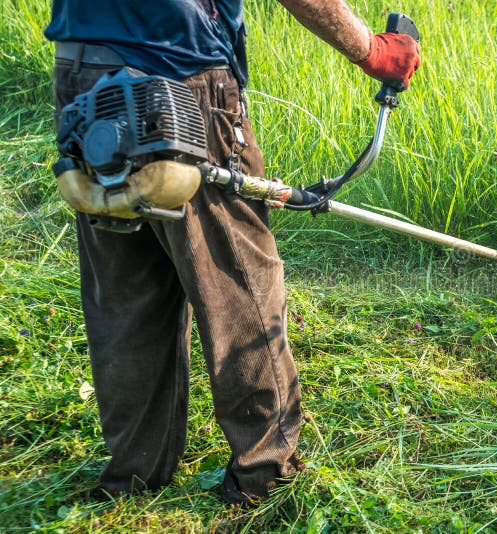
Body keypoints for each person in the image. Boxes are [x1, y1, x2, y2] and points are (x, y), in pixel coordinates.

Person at [44, 0, 420, 505]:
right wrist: (374, 51)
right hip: (180, 78)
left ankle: (133, 477)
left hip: (83, 78)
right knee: (239, 287)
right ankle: (265, 475)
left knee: (125, 297)